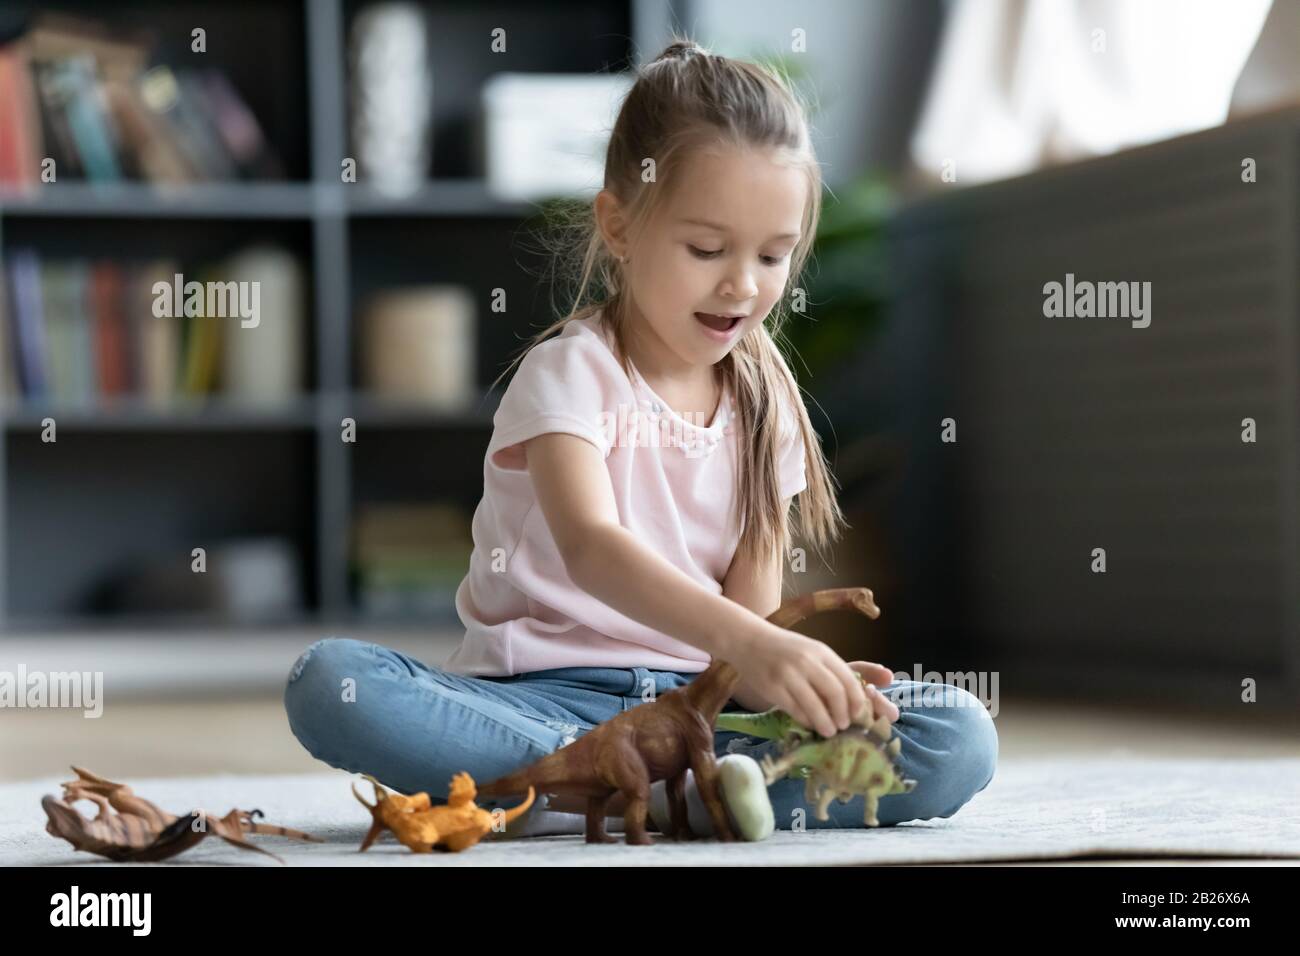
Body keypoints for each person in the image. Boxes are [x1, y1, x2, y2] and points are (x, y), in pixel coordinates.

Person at [285, 37, 997, 840]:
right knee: (331, 680)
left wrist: (803, 687)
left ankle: (603, 792)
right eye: (706, 249)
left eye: (774, 255)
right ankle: (617, 781)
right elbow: (592, 546)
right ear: (619, 225)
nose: (743, 284)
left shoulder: (769, 407)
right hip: (535, 700)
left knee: (957, 732)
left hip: (699, 717)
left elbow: (748, 634)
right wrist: (755, 646)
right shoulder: (568, 374)